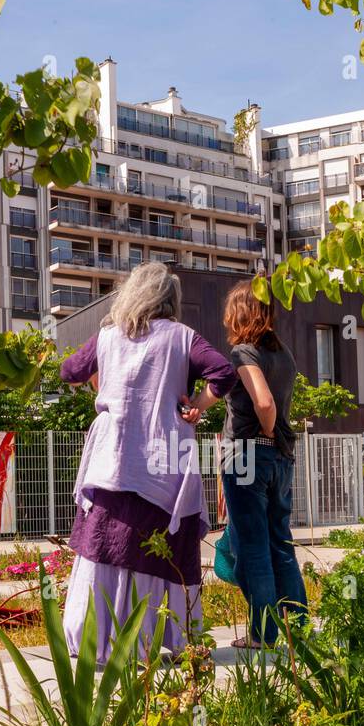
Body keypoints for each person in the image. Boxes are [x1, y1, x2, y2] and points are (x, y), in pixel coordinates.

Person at [60, 261, 236, 660]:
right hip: (163, 463)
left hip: (113, 460)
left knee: (104, 545)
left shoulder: (107, 337)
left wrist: (100, 384)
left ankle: (94, 637)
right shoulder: (181, 337)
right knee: (160, 548)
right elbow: (223, 372)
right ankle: (155, 639)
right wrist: (198, 407)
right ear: (169, 301)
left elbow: (69, 370)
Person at [211, 278, 307, 648]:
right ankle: (296, 628)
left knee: (251, 546)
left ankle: (262, 634)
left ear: (241, 314)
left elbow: (264, 403)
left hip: (248, 455)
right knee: (280, 542)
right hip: (281, 456)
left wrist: (262, 433)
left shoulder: (243, 353)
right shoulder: (284, 354)